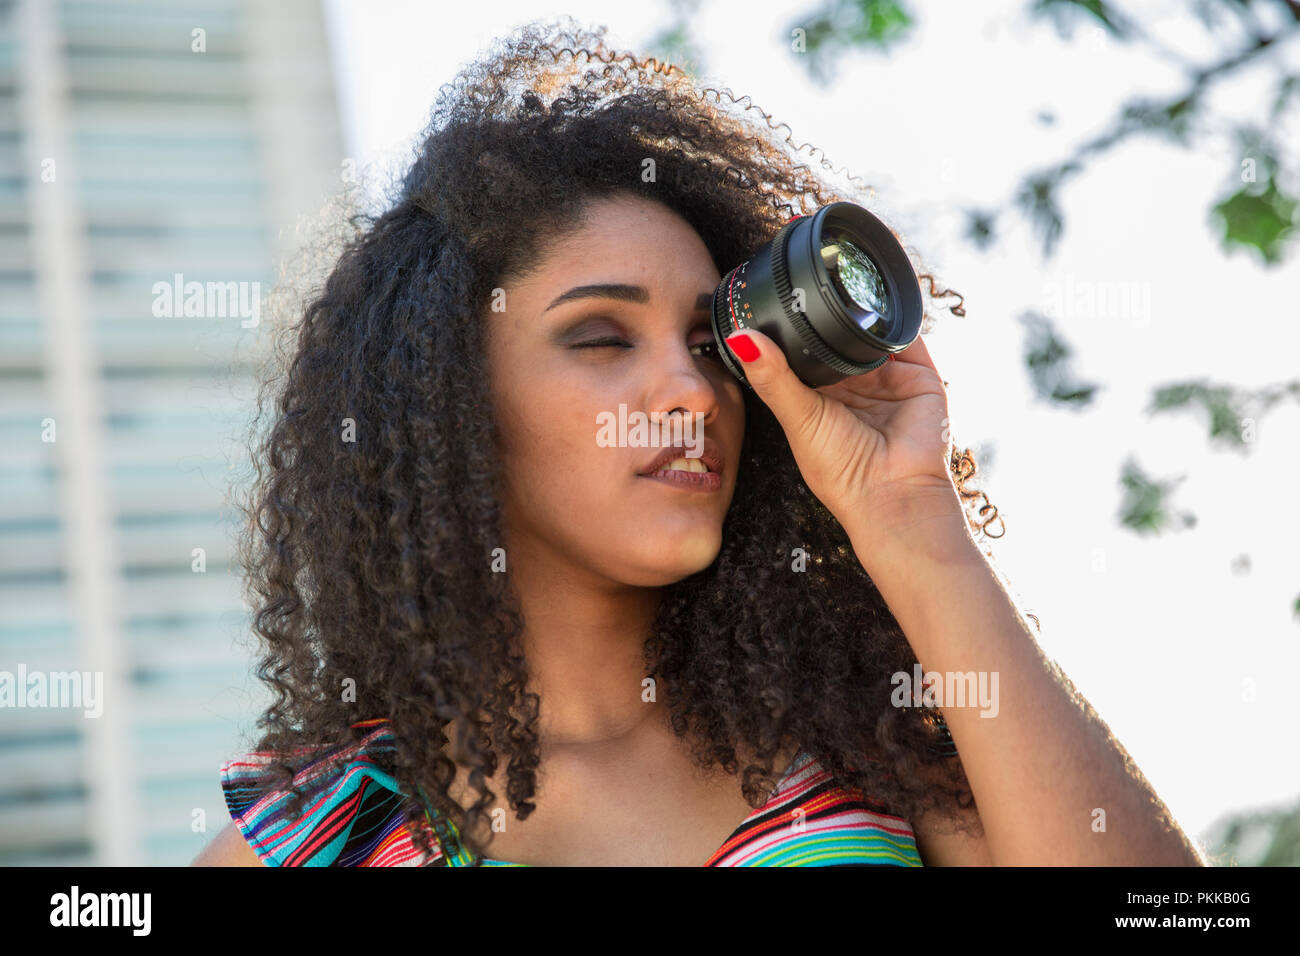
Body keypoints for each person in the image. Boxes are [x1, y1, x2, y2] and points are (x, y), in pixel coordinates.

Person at [192, 18, 1204, 867]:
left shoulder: (864, 737)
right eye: (599, 337)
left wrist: (913, 525)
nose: (689, 389)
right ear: (450, 404)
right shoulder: (329, 826)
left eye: (709, 341)